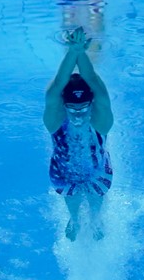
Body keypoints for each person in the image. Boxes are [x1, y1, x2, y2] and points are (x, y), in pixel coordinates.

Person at [44, 27, 114, 241]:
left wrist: (79, 53)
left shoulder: (101, 120)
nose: (78, 114)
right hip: (62, 175)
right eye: (72, 108)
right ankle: (74, 219)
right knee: (73, 207)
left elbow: (92, 80)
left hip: (98, 172)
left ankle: (95, 219)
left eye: (83, 107)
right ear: (63, 105)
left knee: (95, 206)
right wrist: (73, 52)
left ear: (92, 103)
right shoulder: (54, 120)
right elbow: (57, 84)